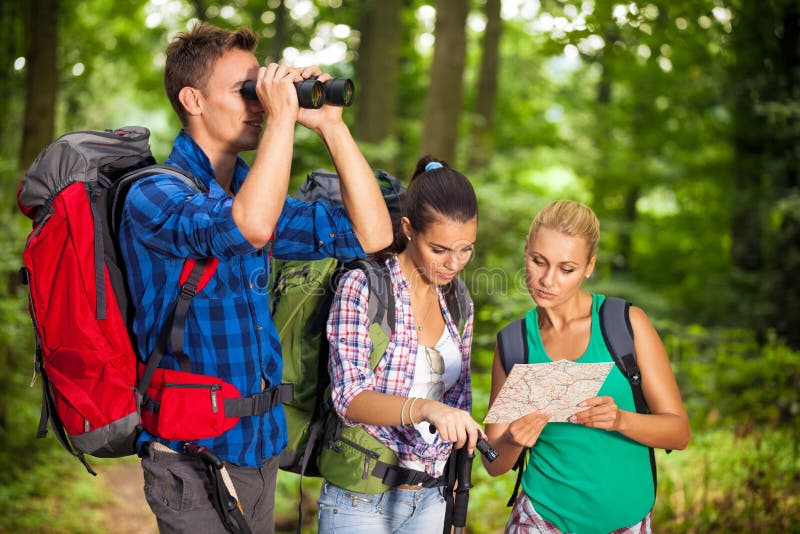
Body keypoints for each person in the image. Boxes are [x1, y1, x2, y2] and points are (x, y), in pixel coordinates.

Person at [117, 22, 392, 533]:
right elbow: (249, 227)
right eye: (244, 90)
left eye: (260, 88)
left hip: (260, 447)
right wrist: (284, 121)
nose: (261, 102)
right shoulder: (152, 195)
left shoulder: (248, 189)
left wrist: (331, 125)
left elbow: (372, 234)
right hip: (191, 456)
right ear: (192, 100)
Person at [483, 200, 691, 534]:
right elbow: (493, 462)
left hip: (628, 522)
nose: (548, 280)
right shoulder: (514, 343)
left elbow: (679, 433)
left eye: (567, 269)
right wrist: (513, 439)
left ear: (589, 266)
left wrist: (621, 419)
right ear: (525, 252)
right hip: (541, 520)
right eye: (538, 261)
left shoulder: (625, 324)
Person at [318, 156, 485, 533]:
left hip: (431, 498)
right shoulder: (364, 286)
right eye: (440, 249)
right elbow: (349, 398)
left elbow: (459, 399)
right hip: (359, 500)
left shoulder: (458, 300)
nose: (454, 263)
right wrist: (426, 409)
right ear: (409, 229)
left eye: (466, 249)